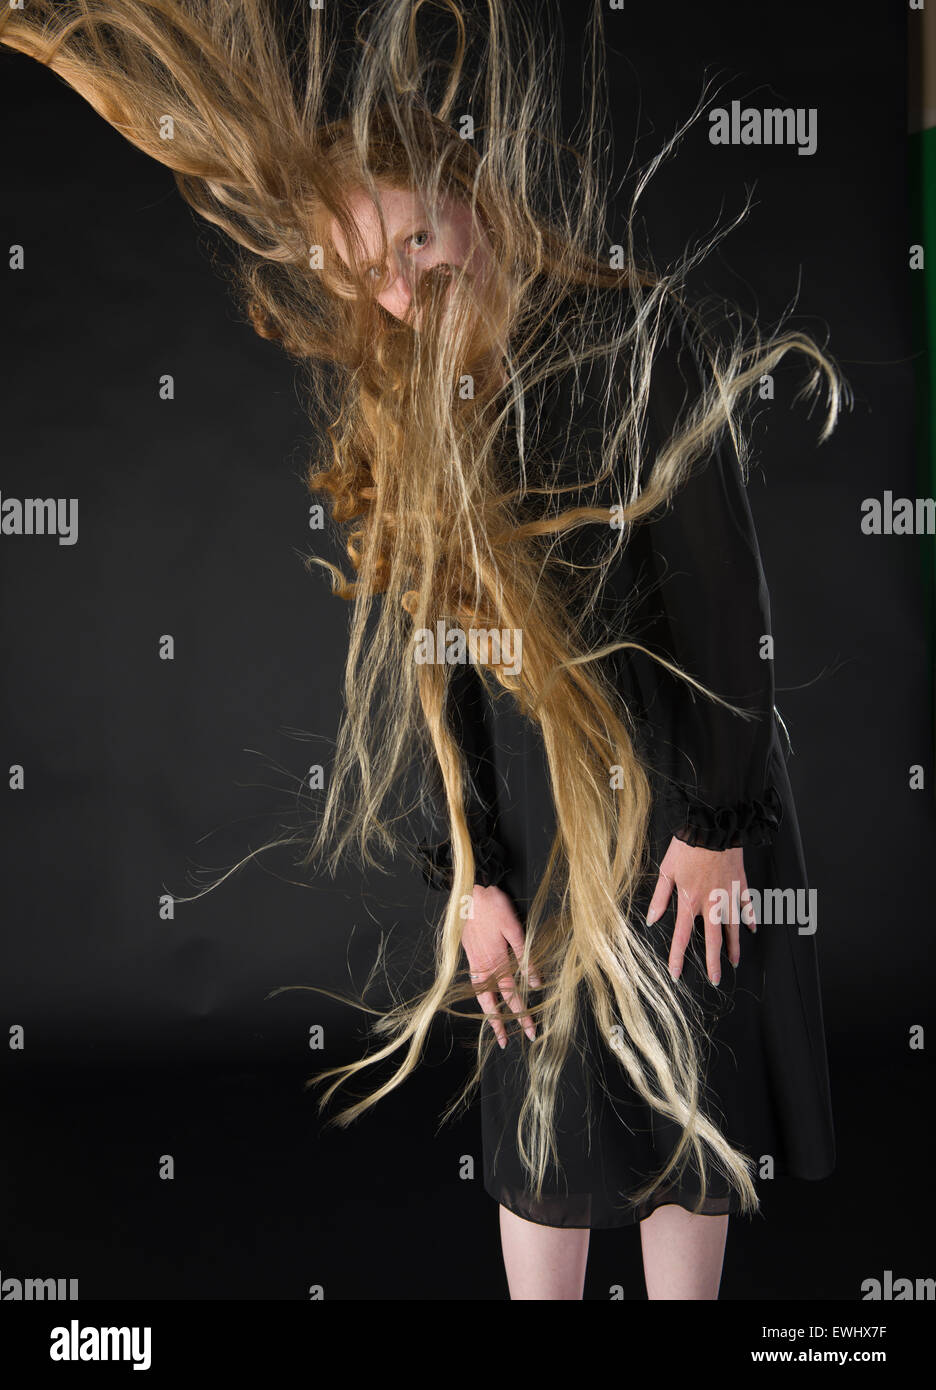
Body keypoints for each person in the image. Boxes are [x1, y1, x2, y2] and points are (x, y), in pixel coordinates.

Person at [0, 0, 846, 1300]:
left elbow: (728, 609)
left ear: (470, 195)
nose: (401, 290)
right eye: (368, 278)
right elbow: (439, 651)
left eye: (413, 243)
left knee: (687, 1102)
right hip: (529, 811)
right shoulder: (418, 402)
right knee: (540, 1118)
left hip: (678, 797)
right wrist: (475, 871)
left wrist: (718, 821)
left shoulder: (639, 337)